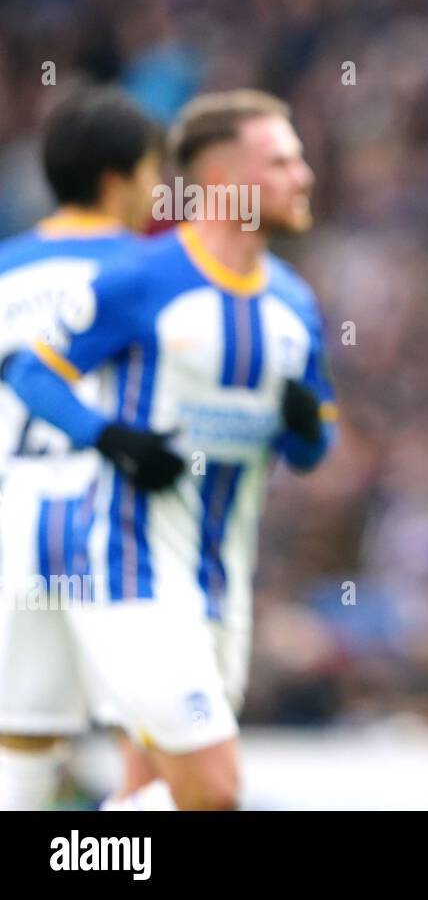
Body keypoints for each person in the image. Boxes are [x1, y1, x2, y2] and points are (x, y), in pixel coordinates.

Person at [2, 90, 336, 810]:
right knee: (208, 786)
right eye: (282, 161)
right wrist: (109, 438)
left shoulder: (292, 303)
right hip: (122, 561)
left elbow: (314, 449)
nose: (305, 175)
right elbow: (32, 371)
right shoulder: (142, 274)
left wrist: (305, 428)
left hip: (212, 580)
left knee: (149, 784)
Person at [0, 88, 161, 810]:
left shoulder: (5, 271)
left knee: (23, 742)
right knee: (158, 736)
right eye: (155, 172)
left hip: (15, 533)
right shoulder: (161, 272)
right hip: (125, 533)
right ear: (116, 179)